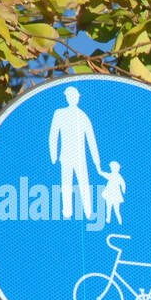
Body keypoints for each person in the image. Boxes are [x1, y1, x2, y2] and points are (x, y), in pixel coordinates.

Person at [48, 85, 101, 221]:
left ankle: (89, 213)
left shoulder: (83, 116)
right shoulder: (59, 113)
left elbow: (91, 140)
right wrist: (53, 155)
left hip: (80, 157)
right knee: (66, 184)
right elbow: (53, 135)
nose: (74, 98)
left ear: (78, 97)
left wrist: (96, 161)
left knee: (84, 184)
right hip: (65, 156)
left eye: (75, 96)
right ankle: (67, 213)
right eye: (71, 96)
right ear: (67, 98)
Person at [96, 160, 126, 227]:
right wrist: (100, 171)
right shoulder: (112, 175)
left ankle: (119, 222)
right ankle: (108, 220)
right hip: (110, 194)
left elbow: (123, 183)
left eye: (113, 167)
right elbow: (105, 174)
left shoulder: (117, 176)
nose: (111, 169)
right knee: (108, 208)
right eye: (111, 167)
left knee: (116, 210)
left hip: (115, 195)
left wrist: (123, 190)